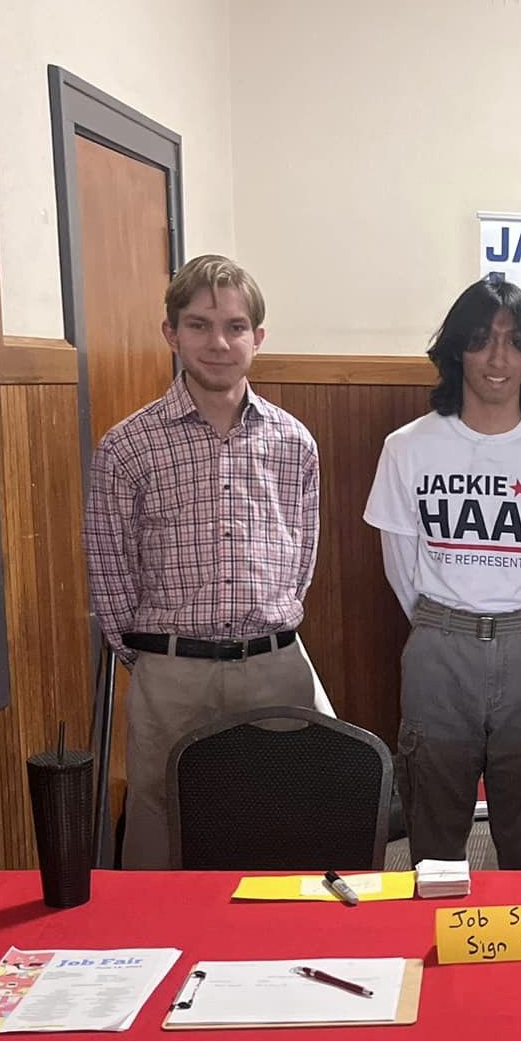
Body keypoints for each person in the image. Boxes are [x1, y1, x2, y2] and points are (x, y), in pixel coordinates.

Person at [83, 255, 332, 870]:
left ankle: (273, 951)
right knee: (159, 814)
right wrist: (151, 658)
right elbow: (110, 567)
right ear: (171, 333)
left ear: (258, 338)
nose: (218, 342)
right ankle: (150, 949)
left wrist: (267, 625)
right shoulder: (127, 445)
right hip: (171, 669)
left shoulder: (293, 441)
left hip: (274, 662)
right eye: (198, 325)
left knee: (287, 811)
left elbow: (301, 552)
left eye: (235, 326)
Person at [365, 276, 521, 871]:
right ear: (457, 351)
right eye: (481, 340)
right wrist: (449, 622)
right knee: (434, 830)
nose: (498, 359)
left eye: (514, 342)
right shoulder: (408, 447)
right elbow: (402, 566)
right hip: (439, 647)